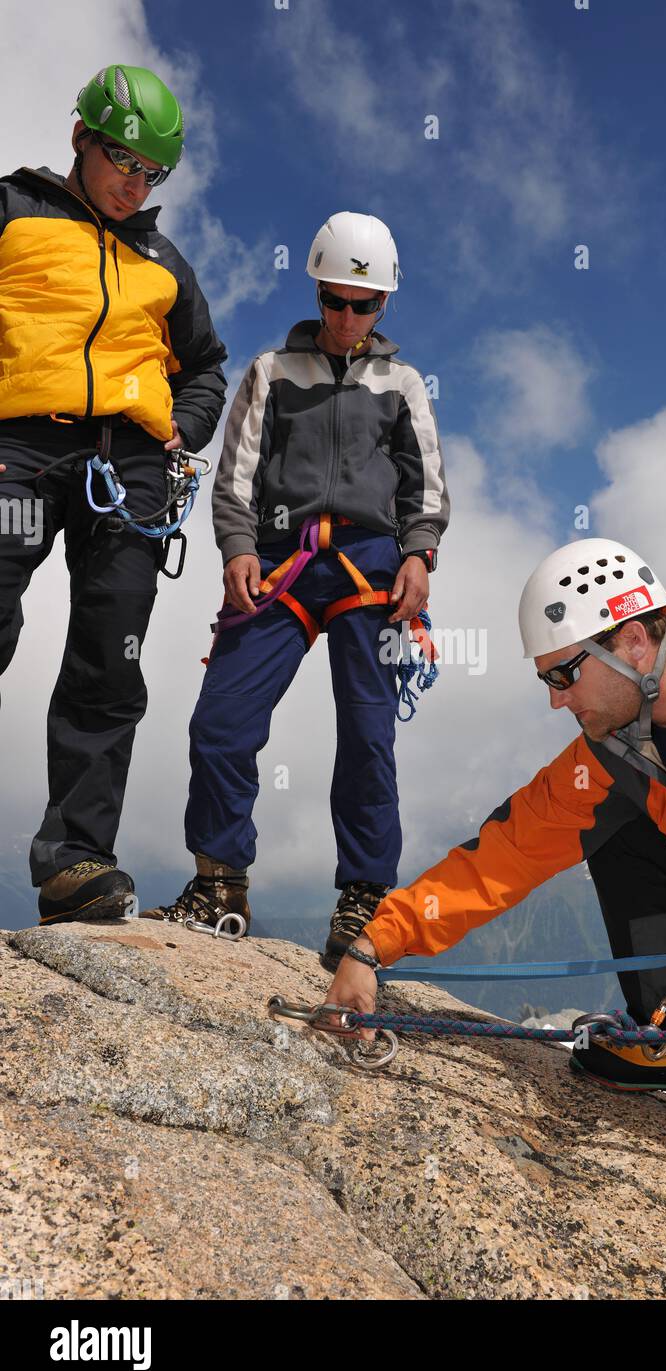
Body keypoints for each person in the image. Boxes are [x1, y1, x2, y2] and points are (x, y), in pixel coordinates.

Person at [323, 538, 666, 1114]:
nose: (557, 703)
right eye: (547, 682)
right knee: (622, 837)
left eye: (564, 676)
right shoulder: (616, 754)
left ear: (633, 642)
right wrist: (374, 945)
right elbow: (506, 852)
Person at [142, 212, 449, 964]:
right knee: (221, 722)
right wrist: (238, 548)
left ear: (385, 305)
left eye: (364, 304)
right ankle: (220, 885)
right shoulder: (272, 371)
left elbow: (427, 487)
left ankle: (365, 899)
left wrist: (420, 557)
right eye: (336, 301)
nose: (347, 318)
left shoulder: (402, 384)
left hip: (370, 567)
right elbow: (236, 474)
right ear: (317, 292)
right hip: (278, 564)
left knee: (369, 735)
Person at [0, 63, 227, 925]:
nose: (135, 184)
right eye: (123, 161)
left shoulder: (164, 261)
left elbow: (206, 365)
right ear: (80, 138)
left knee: (109, 655)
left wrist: (185, 428)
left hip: (129, 469)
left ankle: (75, 863)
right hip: (18, 447)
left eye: (152, 172)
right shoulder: (13, 210)